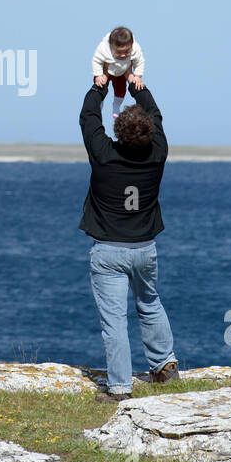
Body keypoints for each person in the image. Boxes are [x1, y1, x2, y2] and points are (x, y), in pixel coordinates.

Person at [79, 74, 178, 403]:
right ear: (150, 132)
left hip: (108, 251)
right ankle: (165, 367)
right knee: (150, 303)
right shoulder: (158, 154)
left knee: (114, 320)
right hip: (145, 249)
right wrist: (139, 85)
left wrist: (100, 86)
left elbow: (88, 117)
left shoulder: (104, 155)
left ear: (117, 130)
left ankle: (120, 388)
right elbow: (158, 115)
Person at [91, 27, 145, 121]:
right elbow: (96, 61)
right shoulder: (104, 48)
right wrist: (98, 75)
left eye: (126, 52)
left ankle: (116, 105)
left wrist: (137, 76)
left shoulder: (135, 49)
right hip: (106, 70)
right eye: (119, 52)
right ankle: (99, 104)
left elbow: (140, 62)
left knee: (121, 90)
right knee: (101, 85)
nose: (123, 55)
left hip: (122, 71)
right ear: (111, 46)